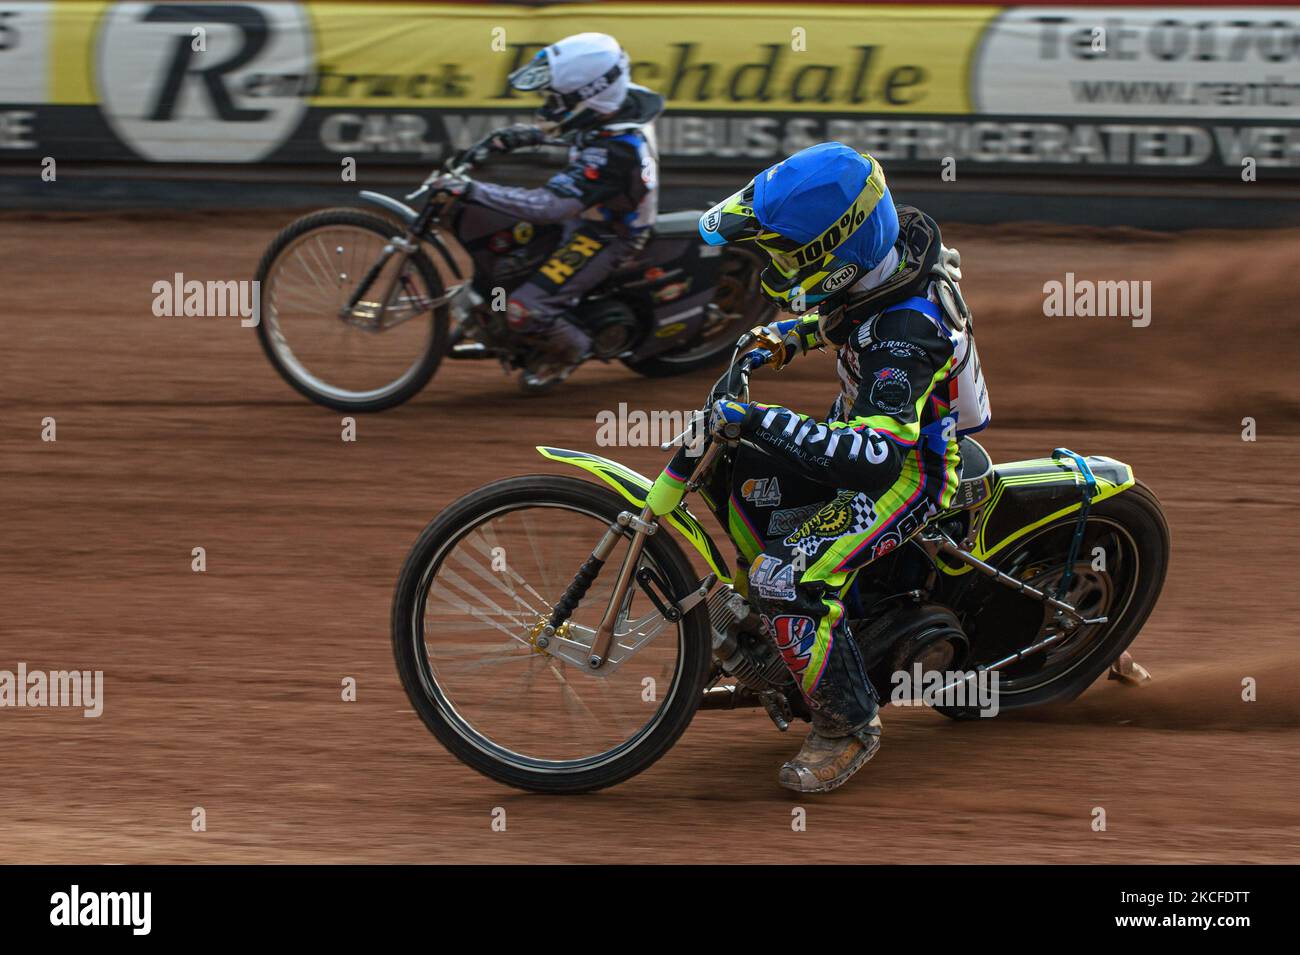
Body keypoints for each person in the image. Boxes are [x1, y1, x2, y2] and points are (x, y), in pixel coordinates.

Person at [699, 142, 991, 793]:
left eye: (785, 256)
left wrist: (761, 418)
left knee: (784, 572)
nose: (774, 266)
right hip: (861, 433)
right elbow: (840, 317)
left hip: (908, 475)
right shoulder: (880, 271)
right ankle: (790, 644)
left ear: (836, 254)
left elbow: (874, 458)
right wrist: (785, 336)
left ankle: (849, 723)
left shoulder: (903, 336)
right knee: (751, 484)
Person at [452, 32, 662, 392]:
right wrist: (526, 136)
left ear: (588, 97)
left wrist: (474, 191)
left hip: (608, 234)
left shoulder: (618, 151)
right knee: (501, 258)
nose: (547, 104)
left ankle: (569, 351)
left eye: (554, 97)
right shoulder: (617, 103)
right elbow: (573, 130)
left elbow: (550, 206)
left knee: (523, 307)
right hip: (584, 215)